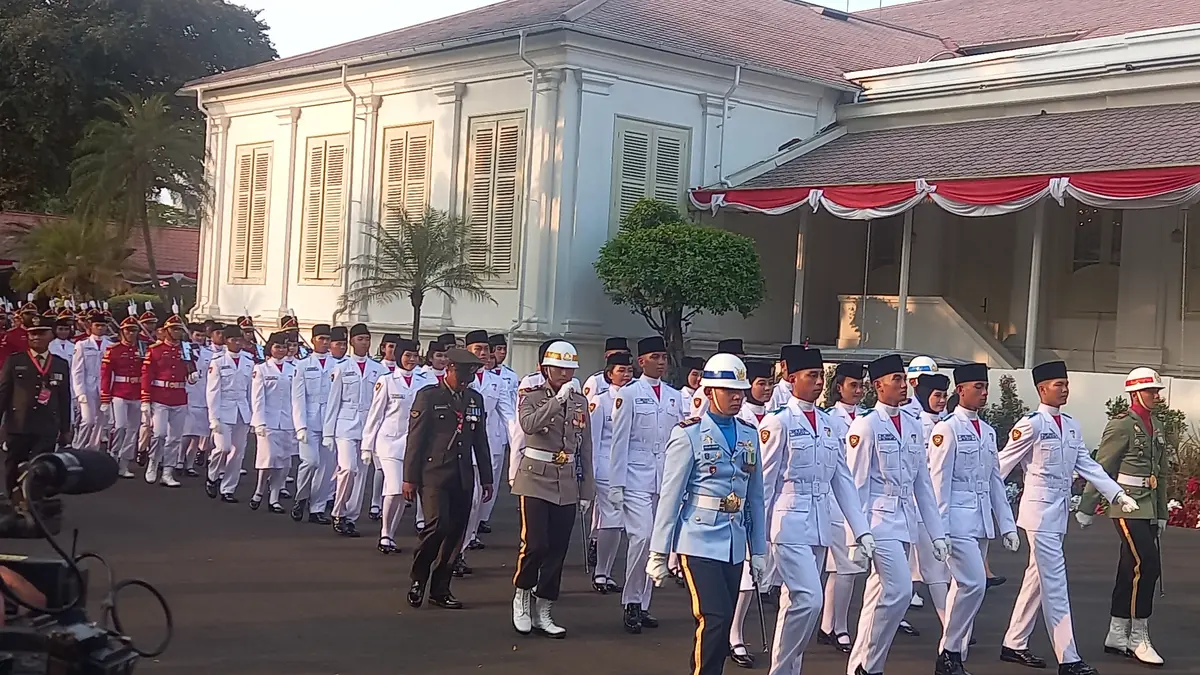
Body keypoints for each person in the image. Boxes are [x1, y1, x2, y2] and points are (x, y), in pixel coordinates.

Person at [997, 361, 1138, 675]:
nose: (1064, 389)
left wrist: (1116, 494)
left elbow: (1088, 466)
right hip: (1037, 513)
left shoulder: (1071, 425)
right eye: (1058, 384)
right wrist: (993, 509)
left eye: (1066, 383)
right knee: (1055, 583)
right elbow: (1000, 468)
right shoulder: (1030, 424)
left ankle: (1015, 642)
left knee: (1036, 579)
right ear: (1041, 389)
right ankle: (1069, 658)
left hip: (1057, 512)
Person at [646, 353, 767, 675]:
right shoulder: (689, 434)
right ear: (710, 392)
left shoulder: (748, 433)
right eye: (729, 391)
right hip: (698, 538)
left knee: (723, 619)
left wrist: (759, 551)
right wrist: (659, 552)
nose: (737, 397)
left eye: (740, 391)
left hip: (733, 539)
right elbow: (670, 497)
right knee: (714, 616)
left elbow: (755, 497)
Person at [761, 347, 874, 675]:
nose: (818, 382)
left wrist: (861, 529)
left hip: (821, 523)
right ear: (790, 378)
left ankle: (788, 669)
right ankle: (781, 669)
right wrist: (756, 539)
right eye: (811, 376)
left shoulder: (828, 424)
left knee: (794, 603)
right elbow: (764, 486)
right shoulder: (778, 422)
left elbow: (843, 482)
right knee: (810, 599)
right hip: (788, 522)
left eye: (820, 376)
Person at [845, 354, 949, 675]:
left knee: (877, 598)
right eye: (897, 380)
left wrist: (937, 533)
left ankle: (858, 667)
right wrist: (855, 538)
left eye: (904, 379)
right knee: (900, 592)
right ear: (878, 386)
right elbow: (856, 485)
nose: (904, 385)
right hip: (877, 523)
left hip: (903, 522)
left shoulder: (912, 423)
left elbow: (923, 485)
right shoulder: (866, 425)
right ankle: (871, 667)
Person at [927, 363, 1019, 675]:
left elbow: (995, 481)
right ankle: (950, 650)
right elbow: (937, 483)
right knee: (974, 584)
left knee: (963, 587)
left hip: (979, 521)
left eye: (985, 387)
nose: (983, 393)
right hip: (955, 520)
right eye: (977, 387)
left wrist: (1006, 524)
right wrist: (939, 531)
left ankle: (951, 654)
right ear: (960, 390)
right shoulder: (946, 429)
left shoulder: (988, 431)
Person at [1077, 367, 1169, 666]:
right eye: (1150, 390)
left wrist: (1163, 510)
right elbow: (1100, 468)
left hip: (1149, 505)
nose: (1156, 395)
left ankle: (1117, 632)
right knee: (1148, 564)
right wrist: (1088, 506)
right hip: (1126, 503)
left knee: (1130, 566)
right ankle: (1137, 636)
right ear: (1134, 393)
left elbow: (1160, 472)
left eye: (1157, 390)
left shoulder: (1156, 423)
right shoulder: (1121, 425)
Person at [511, 340, 594, 637]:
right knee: (535, 544)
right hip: (535, 477)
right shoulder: (531, 396)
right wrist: (556, 401)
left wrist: (587, 491)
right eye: (559, 367)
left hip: (567, 479)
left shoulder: (581, 401)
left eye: (569, 368)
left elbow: (586, 448)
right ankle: (522, 595)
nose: (565, 373)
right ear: (546, 368)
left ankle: (543, 607)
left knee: (558, 549)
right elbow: (529, 426)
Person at [404, 348, 494, 610]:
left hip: (463, 474)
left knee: (456, 534)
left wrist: (486, 478)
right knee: (437, 526)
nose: (468, 379)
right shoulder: (429, 397)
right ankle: (419, 578)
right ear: (450, 369)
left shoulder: (474, 399)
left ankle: (441, 588)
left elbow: (481, 441)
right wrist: (409, 478)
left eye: (472, 374)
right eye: (465, 373)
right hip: (433, 473)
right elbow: (415, 440)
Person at [609, 335, 684, 633]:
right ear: (641, 362)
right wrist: (616, 484)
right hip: (635, 476)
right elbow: (619, 441)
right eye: (655, 357)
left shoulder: (673, 396)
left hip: (664, 478)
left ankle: (644, 603)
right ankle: (631, 601)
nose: (661, 362)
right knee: (640, 538)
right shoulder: (628, 395)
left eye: (664, 357)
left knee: (657, 542)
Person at [361, 338, 432, 553]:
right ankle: (384, 533)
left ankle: (390, 533)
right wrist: (367, 446)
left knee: (404, 492)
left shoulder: (424, 381)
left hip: (414, 444)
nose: (411, 360)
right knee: (393, 487)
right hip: (389, 442)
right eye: (407, 355)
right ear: (399, 356)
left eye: (415, 356)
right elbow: (375, 415)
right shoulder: (387, 381)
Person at [726, 357, 773, 668]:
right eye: (760, 383)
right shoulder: (739, 420)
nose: (765, 388)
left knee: (761, 575)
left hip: (770, 503)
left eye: (769, 382)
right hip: (737, 505)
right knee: (744, 577)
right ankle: (734, 635)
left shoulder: (771, 417)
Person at [819, 361, 868, 654]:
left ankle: (829, 625)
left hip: (858, 502)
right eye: (853, 385)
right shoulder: (829, 419)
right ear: (839, 387)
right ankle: (839, 627)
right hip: (833, 501)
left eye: (862, 385)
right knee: (846, 568)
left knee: (843, 569)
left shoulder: (868, 418)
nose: (859, 390)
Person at [324, 323, 389, 537]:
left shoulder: (379, 370)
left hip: (368, 426)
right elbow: (333, 402)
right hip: (345, 424)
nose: (364, 343)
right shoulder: (341, 368)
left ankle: (350, 517)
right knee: (348, 469)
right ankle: (338, 511)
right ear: (351, 342)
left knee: (361, 475)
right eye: (360, 339)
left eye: (367, 339)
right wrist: (328, 433)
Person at [462, 329, 516, 562]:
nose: (483, 354)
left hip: (489, 445)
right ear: (468, 351)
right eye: (478, 349)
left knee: (478, 500)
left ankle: (466, 541)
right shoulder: (459, 377)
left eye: (486, 349)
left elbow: (508, 415)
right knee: (468, 500)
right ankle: (457, 548)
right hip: (462, 447)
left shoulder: (498, 381)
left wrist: (518, 445)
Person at [0, 323, 71, 498]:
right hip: (19, 424)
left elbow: (64, 398)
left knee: (41, 467)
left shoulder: (60, 363)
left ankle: (35, 502)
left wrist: (65, 429)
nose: (36, 337)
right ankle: (12, 499)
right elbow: (3, 393)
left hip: (47, 424)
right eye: (32, 334)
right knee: (13, 465)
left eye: (41, 334)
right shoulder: (15, 361)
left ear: (50, 336)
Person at [906, 373, 952, 635]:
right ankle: (952, 628)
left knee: (928, 570)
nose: (942, 401)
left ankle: (952, 628)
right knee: (931, 570)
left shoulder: (946, 424)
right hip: (917, 505)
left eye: (944, 396)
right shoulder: (915, 426)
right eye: (937, 395)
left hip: (938, 505)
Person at [587, 351, 634, 594]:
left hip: (630, 468)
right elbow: (592, 441)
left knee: (621, 523)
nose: (626, 375)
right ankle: (601, 573)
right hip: (605, 466)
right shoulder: (600, 401)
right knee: (613, 519)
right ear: (609, 375)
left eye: (629, 371)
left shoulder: (636, 398)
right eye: (621, 371)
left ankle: (606, 570)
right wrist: (589, 476)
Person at [290, 323, 338, 524]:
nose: (325, 343)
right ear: (312, 340)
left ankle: (317, 508)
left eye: (328, 339)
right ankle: (301, 498)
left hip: (330, 421)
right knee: (311, 462)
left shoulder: (338, 365)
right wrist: (300, 425)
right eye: (321, 339)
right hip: (309, 420)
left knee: (326, 468)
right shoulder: (302, 365)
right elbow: (298, 398)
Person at [141, 313, 191, 487]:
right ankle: (153, 462)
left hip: (179, 395)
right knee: (159, 433)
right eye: (174, 329)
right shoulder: (155, 350)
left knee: (175, 438)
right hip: (160, 395)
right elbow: (147, 375)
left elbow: (190, 367)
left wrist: (192, 374)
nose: (177, 332)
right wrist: (146, 399)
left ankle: (168, 471)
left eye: (179, 329)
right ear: (166, 330)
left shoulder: (186, 349)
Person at [205, 326, 254, 503]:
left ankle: (228, 488)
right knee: (223, 448)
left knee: (238, 452)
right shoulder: (218, 361)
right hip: (223, 410)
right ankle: (212, 475)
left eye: (239, 340)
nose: (237, 343)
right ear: (226, 341)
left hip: (242, 411)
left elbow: (250, 391)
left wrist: (253, 415)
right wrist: (213, 418)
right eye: (233, 340)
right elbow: (213, 391)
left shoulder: (249, 361)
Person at [249, 332, 296, 513]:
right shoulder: (261, 369)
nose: (281, 350)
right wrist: (258, 422)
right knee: (268, 459)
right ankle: (259, 490)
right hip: (267, 421)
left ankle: (274, 497)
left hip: (287, 421)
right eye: (277, 347)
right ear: (270, 348)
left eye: (284, 347)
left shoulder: (294, 369)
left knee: (284, 462)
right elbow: (258, 398)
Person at [100, 315, 144, 478]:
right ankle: (112, 457)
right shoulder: (114, 350)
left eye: (134, 331)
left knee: (133, 430)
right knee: (120, 426)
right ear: (121, 332)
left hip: (137, 392)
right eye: (128, 331)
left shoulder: (142, 349)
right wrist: (105, 397)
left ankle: (124, 463)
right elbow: (105, 375)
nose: (131, 334)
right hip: (119, 391)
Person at [70, 310, 111, 452]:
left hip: (104, 386)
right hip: (87, 385)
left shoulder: (110, 345)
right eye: (97, 325)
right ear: (91, 326)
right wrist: (79, 392)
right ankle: (78, 446)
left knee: (101, 421)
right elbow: (77, 370)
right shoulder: (82, 344)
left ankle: (93, 449)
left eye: (103, 325)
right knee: (88, 420)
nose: (100, 328)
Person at [182, 323, 214, 477]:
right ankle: (178, 460)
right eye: (197, 335)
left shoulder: (209, 353)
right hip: (188, 393)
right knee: (186, 432)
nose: (200, 339)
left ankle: (190, 463)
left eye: (202, 336)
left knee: (198, 433)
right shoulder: (184, 350)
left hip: (204, 395)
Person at [690, 338, 745, 419]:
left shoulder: (742, 384)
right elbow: (698, 418)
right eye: (736, 358)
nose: (739, 363)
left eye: (741, 359)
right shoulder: (707, 389)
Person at [582, 337, 630, 401]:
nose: (621, 358)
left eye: (624, 354)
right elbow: (587, 404)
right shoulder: (596, 380)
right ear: (606, 356)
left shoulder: (632, 380)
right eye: (617, 354)